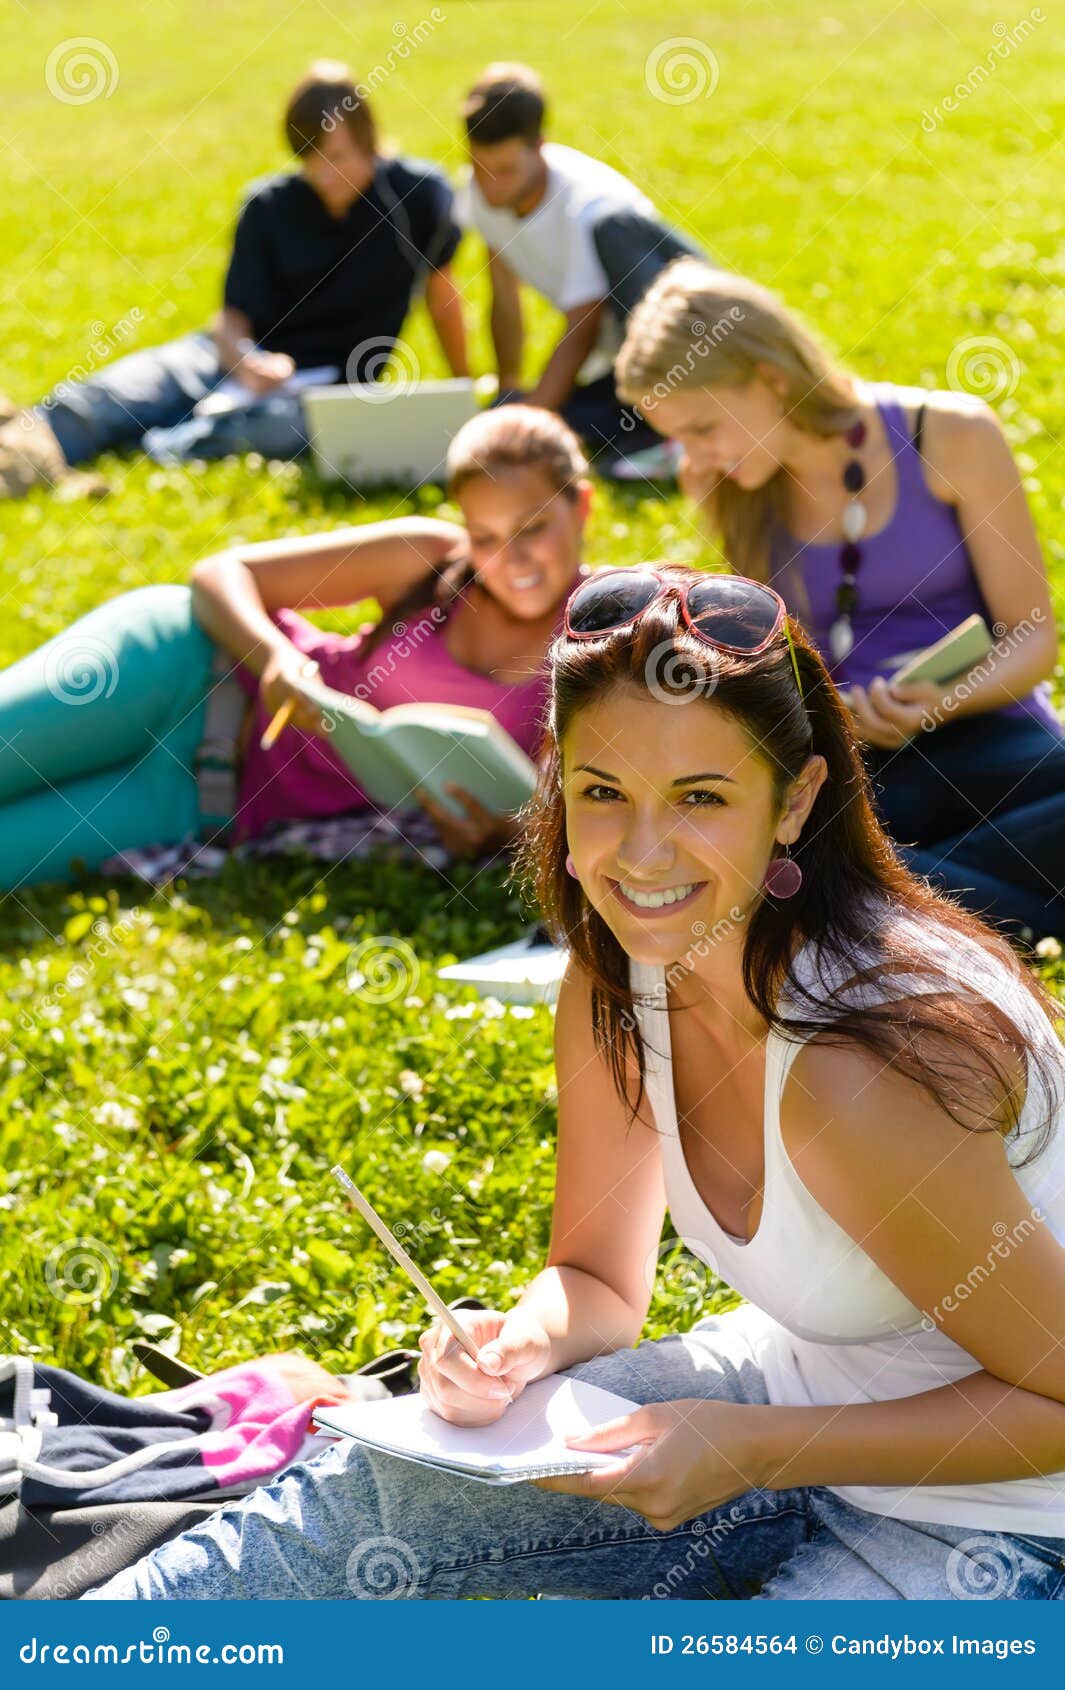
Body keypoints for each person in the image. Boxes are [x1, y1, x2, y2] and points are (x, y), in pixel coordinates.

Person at [84, 565, 1065, 1600]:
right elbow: (597, 1282)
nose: (641, 853)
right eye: (603, 791)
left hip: (1011, 1523)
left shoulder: (862, 1067)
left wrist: (762, 1449)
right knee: (358, 1506)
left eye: (700, 796)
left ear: (797, 799)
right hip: (779, 1390)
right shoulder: (618, 977)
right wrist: (518, 1343)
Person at [613, 259, 1065, 940]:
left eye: (702, 427)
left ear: (768, 378)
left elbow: (1032, 639)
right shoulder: (725, 483)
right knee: (805, 833)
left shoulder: (949, 435)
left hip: (990, 732)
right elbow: (771, 657)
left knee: (809, 867)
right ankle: (960, 912)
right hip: (856, 761)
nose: (694, 456)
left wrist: (935, 700)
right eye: (676, 437)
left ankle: (881, 899)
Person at [0, 406, 588, 890]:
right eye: (486, 535)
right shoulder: (430, 557)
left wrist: (499, 838)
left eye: (532, 527)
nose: (510, 561)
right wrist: (275, 658)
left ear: (581, 505)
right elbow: (219, 573)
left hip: (199, 802)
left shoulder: (595, 636)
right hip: (185, 668)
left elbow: (590, 818)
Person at [0, 63, 467, 492]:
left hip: (330, 387)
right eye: (310, 159)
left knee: (277, 427)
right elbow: (230, 319)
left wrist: (463, 389)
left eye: (338, 156)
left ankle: (162, 446)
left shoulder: (419, 198)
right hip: (228, 358)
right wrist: (246, 362)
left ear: (368, 138)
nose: (324, 174)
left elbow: (441, 295)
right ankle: (21, 451)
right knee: (111, 394)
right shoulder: (267, 206)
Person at [457, 63, 705, 478]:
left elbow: (582, 329)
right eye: (480, 168)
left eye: (505, 171)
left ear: (539, 147)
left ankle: (684, 428)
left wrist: (523, 425)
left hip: (692, 344)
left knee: (553, 423)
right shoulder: (481, 195)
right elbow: (504, 298)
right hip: (622, 365)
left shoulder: (587, 206)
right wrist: (509, 392)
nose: (490, 186)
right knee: (574, 423)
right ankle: (648, 433)